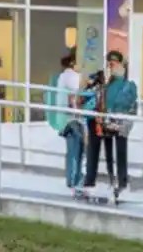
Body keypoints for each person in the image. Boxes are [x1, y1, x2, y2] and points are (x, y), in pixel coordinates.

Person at [83, 51, 138, 198]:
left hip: (117, 121)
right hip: (99, 119)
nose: (111, 66)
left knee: (120, 151)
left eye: (113, 63)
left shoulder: (128, 84)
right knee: (94, 149)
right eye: (109, 63)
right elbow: (87, 94)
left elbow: (127, 102)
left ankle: (121, 181)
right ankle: (90, 181)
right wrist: (99, 82)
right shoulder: (100, 79)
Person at [49, 53, 84, 191]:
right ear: (72, 63)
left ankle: (72, 179)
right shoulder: (71, 76)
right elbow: (79, 90)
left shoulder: (63, 76)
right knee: (76, 150)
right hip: (72, 119)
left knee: (72, 150)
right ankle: (74, 179)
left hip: (66, 119)